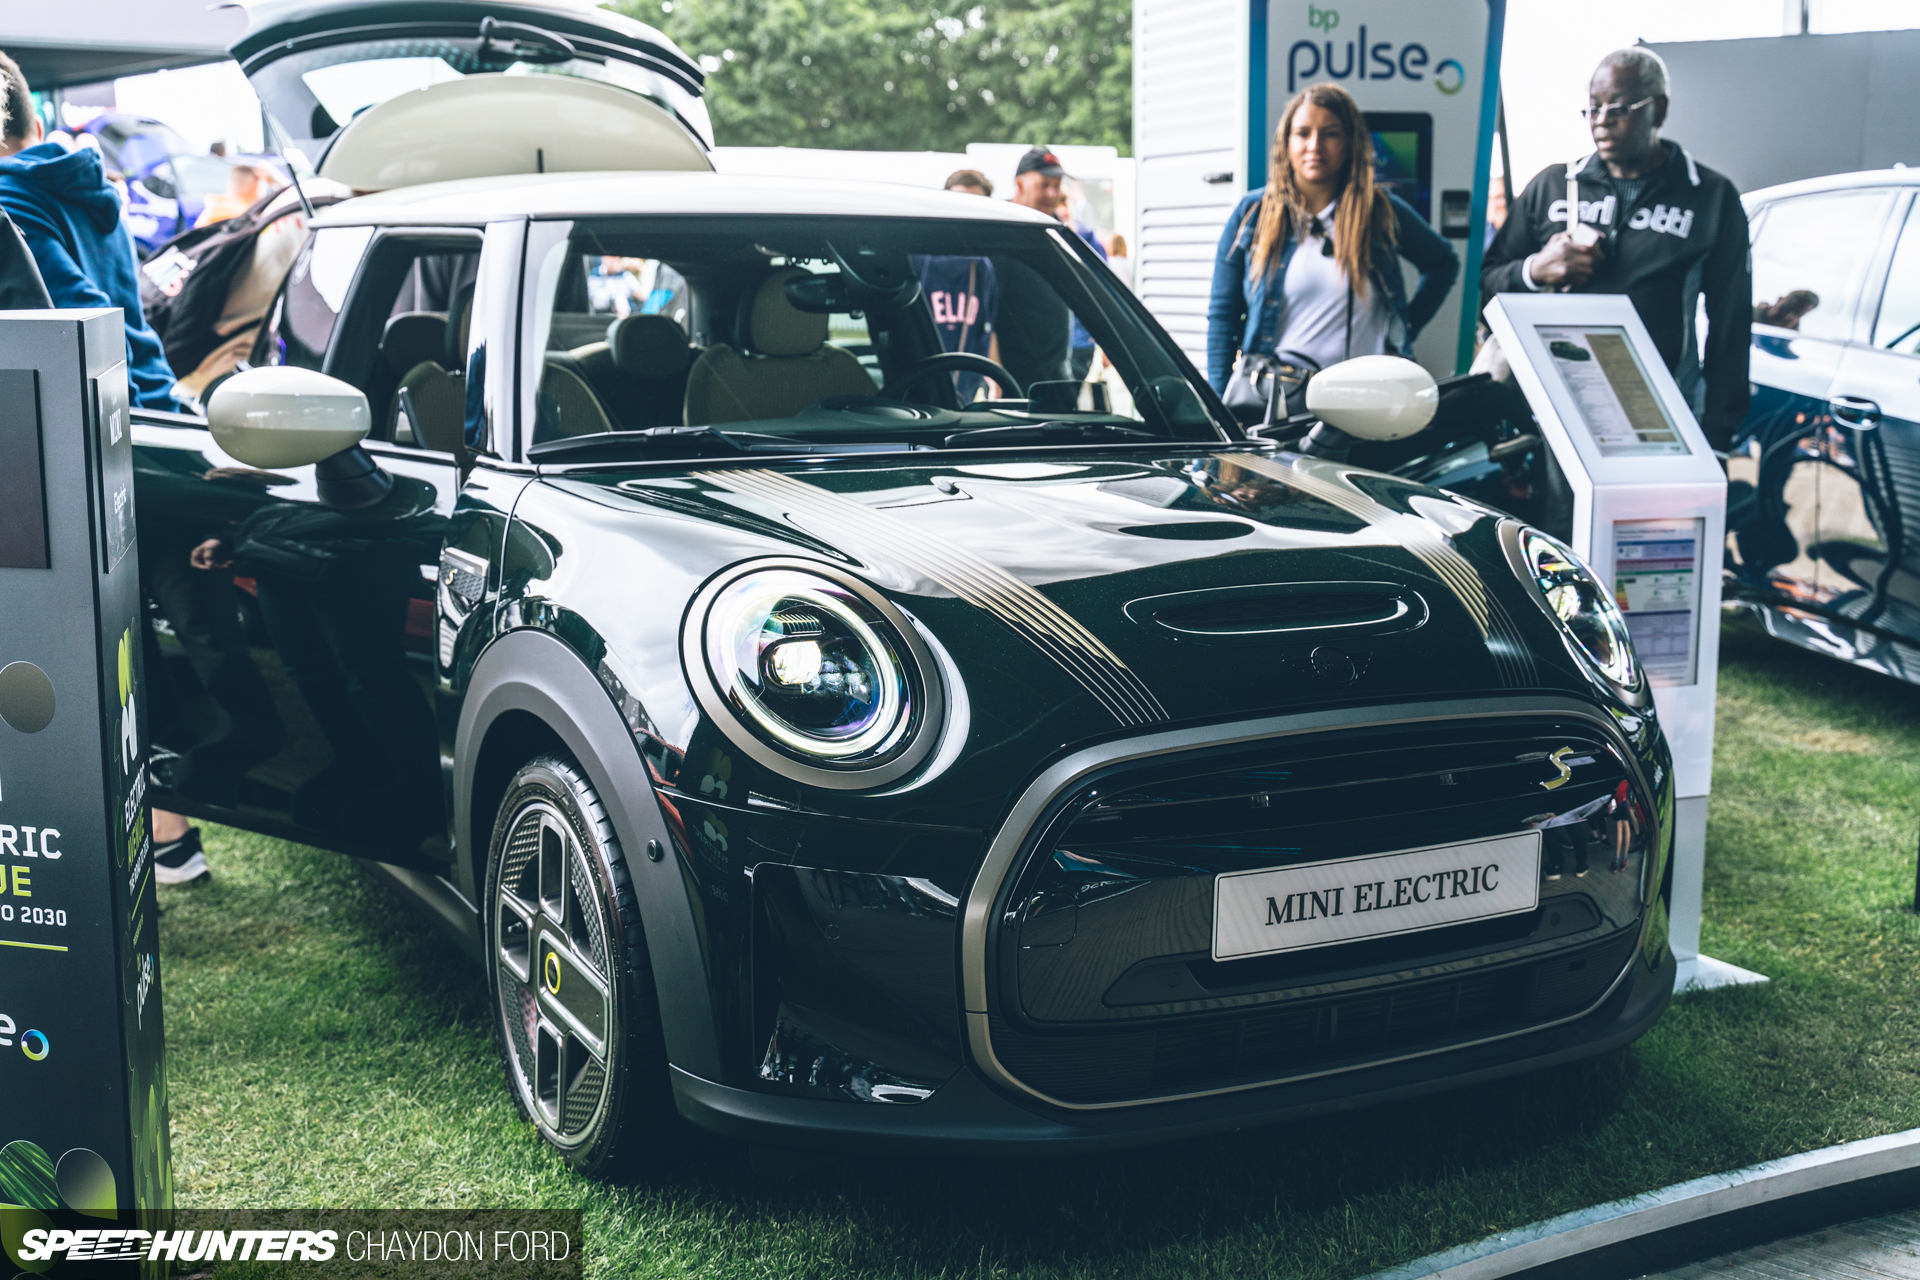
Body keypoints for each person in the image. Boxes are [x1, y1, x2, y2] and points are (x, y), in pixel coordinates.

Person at [1480, 47, 1750, 448]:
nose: (1601, 122)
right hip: (1551, 416)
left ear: (1658, 111)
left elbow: (1730, 325)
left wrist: (1717, 436)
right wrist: (1535, 270)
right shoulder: (1553, 186)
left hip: (1658, 421)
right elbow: (1484, 283)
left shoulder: (1710, 197)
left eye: (1618, 108)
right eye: (1592, 108)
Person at [1208, 83, 1459, 422]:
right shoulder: (1253, 213)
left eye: (1330, 134)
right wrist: (1217, 410)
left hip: (1371, 401)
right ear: (1287, 142)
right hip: (1281, 404)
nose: (1315, 146)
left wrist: (1402, 329)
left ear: (1350, 143)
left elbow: (1444, 263)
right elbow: (1223, 318)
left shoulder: (1380, 211)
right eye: (1303, 133)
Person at [0, 52, 179, 409]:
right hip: (159, 395)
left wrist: (122, 436)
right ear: (38, 127)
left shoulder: (12, 199)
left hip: (121, 418)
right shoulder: (94, 188)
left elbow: (84, 326)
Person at [991, 147, 1076, 390]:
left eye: (1057, 185)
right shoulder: (999, 233)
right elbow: (990, 313)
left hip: (1057, 378)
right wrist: (997, 380)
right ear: (1019, 185)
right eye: (1044, 185)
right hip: (1017, 386)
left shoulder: (1054, 230)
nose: (1052, 194)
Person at [912, 171, 999, 403]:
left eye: (975, 206)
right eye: (958, 204)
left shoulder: (982, 267)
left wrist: (993, 378)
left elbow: (988, 328)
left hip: (964, 394)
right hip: (916, 389)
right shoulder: (917, 258)